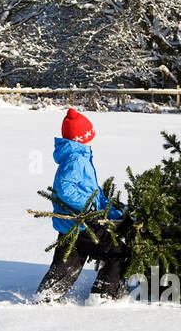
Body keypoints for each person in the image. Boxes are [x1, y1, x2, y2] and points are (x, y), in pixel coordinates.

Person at [33, 109, 128, 302]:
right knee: (118, 253)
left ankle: (48, 295)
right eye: (89, 135)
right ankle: (104, 295)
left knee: (67, 263)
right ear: (81, 137)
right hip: (84, 224)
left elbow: (94, 193)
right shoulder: (77, 159)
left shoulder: (76, 156)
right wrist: (88, 208)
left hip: (71, 226)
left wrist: (114, 214)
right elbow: (66, 188)